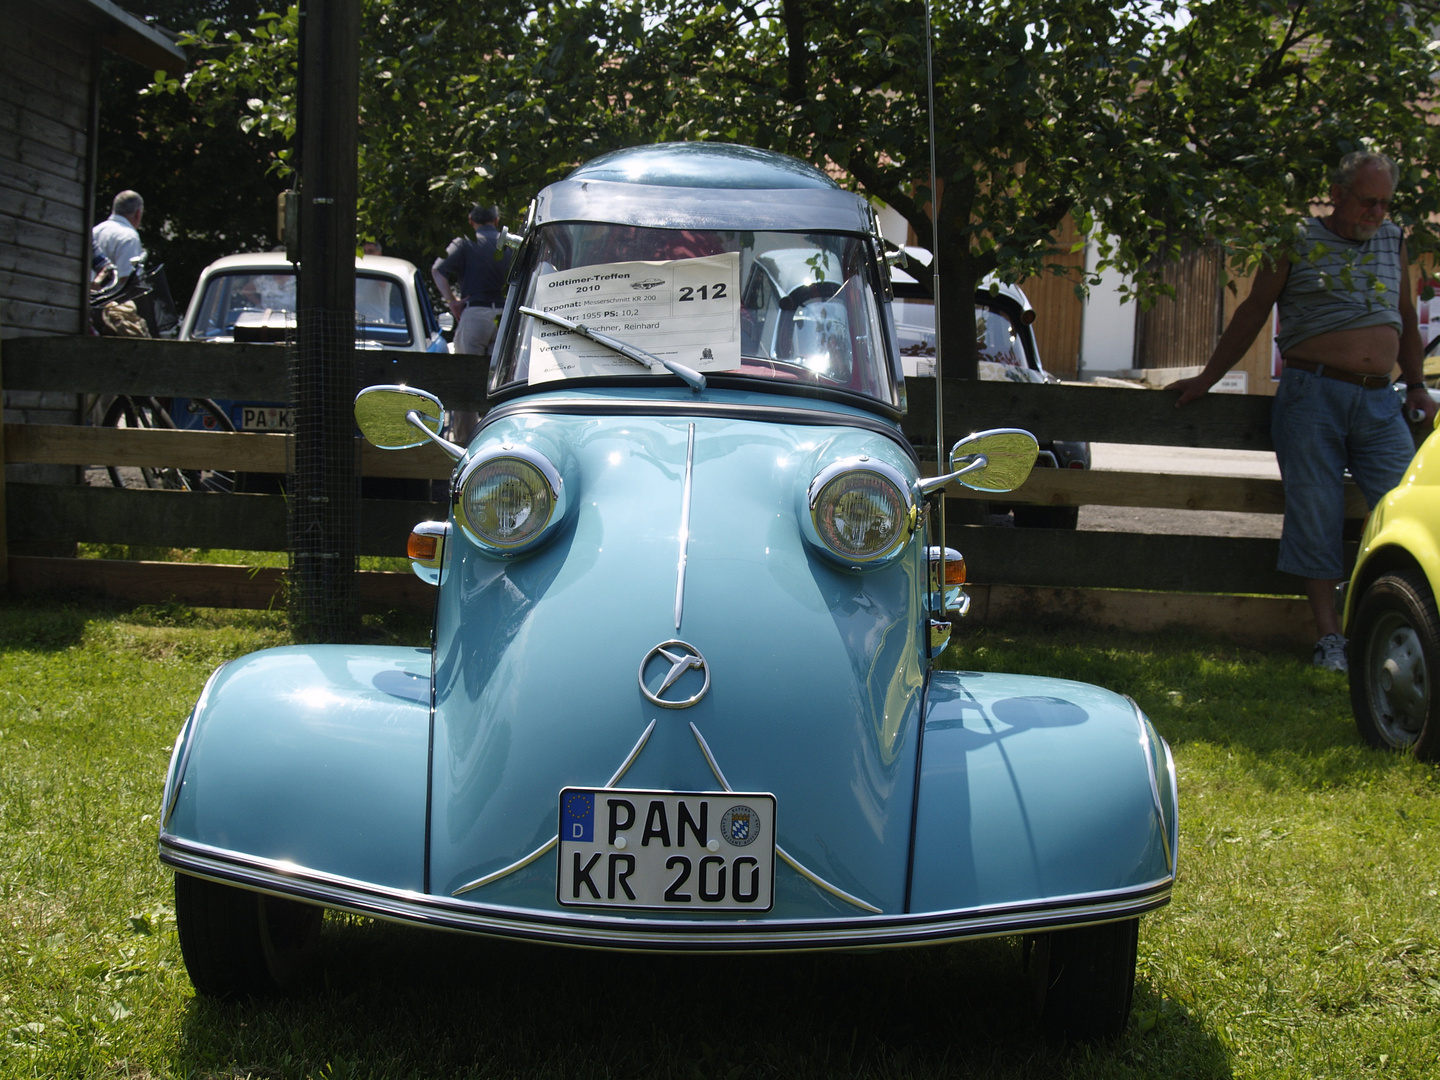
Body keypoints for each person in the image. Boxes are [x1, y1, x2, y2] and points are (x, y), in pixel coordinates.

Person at [1171, 150, 1437, 672]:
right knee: (1316, 512)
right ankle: (1330, 638)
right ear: (1337, 194)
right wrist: (1208, 377)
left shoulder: (1392, 238)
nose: (1377, 213)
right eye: (1367, 201)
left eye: (1385, 203)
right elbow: (1254, 310)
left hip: (1381, 399)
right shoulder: (1294, 238)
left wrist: (1417, 386)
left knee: (1405, 505)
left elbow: (1405, 314)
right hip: (1312, 394)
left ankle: (1394, 623)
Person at [431, 204, 514, 356]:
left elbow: (437, 270)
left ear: (470, 220)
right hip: (505, 318)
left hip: (475, 314)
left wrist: (452, 301)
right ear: (496, 220)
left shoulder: (465, 242)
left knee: (468, 366)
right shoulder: (510, 244)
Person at [92, 190, 145, 287]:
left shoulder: (95, 230)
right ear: (138, 213)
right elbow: (127, 279)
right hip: (111, 296)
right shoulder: (129, 236)